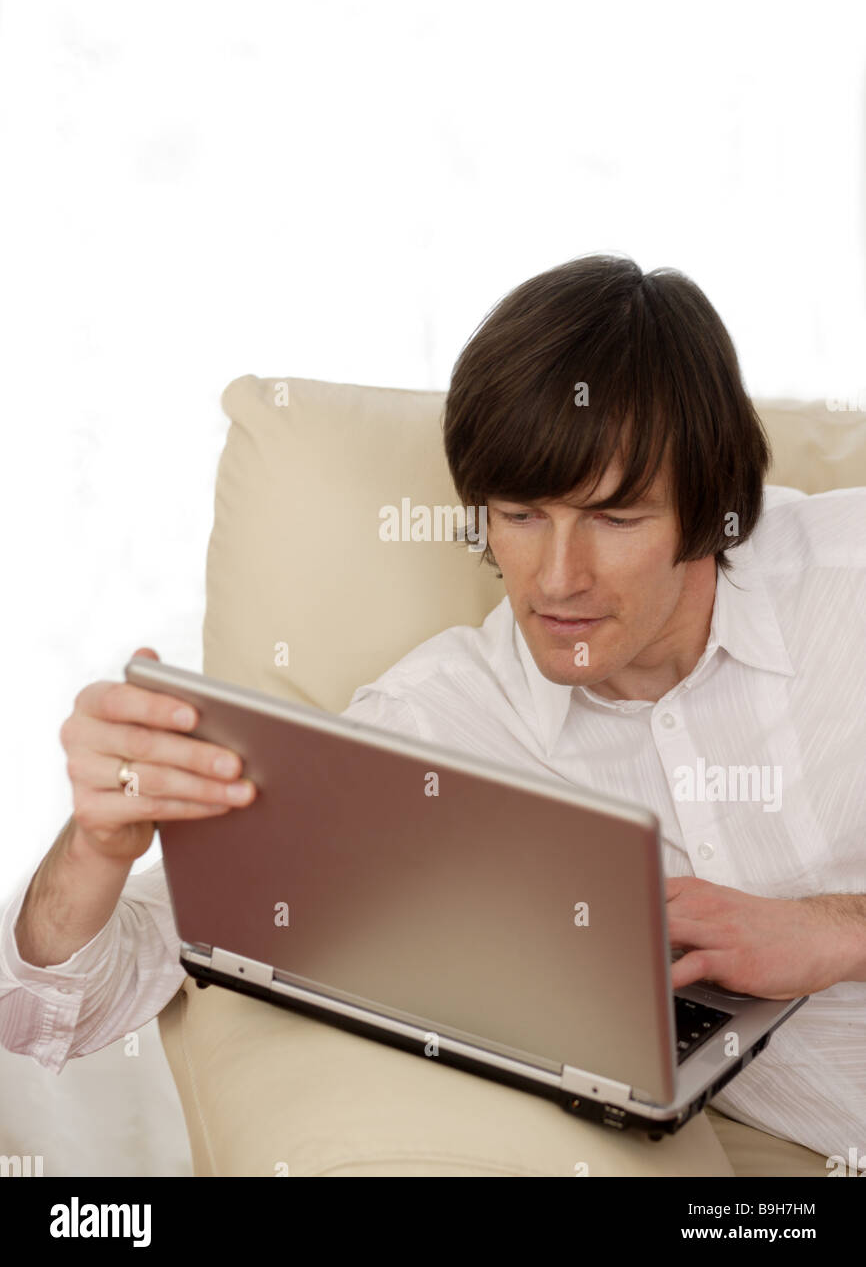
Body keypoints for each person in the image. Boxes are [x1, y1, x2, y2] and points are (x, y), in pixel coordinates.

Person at [1, 254, 863, 1177]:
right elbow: (64, 1013)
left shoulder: (846, 583)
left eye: (614, 519)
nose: (558, 579)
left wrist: (837, 930)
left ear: (711, 511)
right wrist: (98, 846)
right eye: (522, 515)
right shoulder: (438, 725)